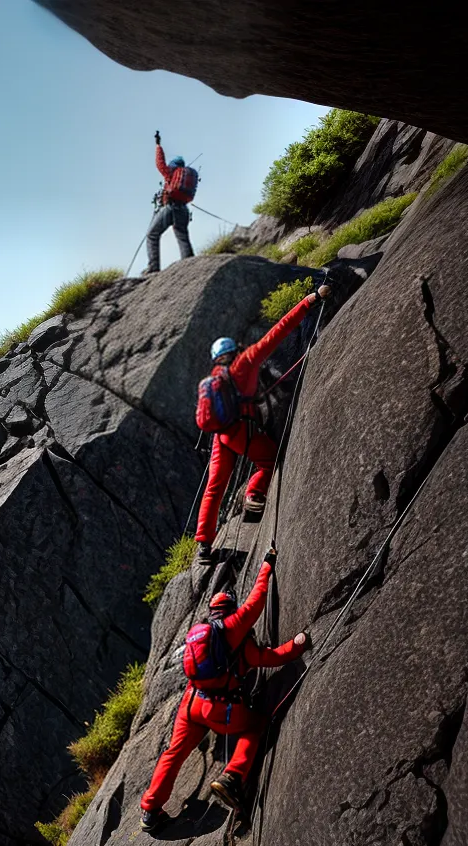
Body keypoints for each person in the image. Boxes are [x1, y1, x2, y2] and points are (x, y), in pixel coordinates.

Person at [139, 549, 310, 833]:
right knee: (253, 727)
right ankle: (232, 777)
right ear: (229, 609)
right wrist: (267, 566)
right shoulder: (232, 629)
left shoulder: (200, 631)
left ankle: (150, 809)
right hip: (222, 709)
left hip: (191, 703)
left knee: (175, 752)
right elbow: (260, 614)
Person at [194, 283, 332, 565]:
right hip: (242, 431)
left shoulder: (213, 376)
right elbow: (277, 332)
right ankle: (254, 495)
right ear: (234, 350)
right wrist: (309, 301)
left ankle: (204, 547)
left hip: (220, 436)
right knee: (268, 461)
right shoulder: (245, 361)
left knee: (214, 488)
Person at [143, 131, 196, 274]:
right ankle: (190, 263)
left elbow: (160, 163)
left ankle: (153, 268)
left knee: (152, 235)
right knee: (182, 236)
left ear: (173, 166)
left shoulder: (170, 172)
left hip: (170, 208)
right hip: (183, 209)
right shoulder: (186, 176)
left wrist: (158, 145)